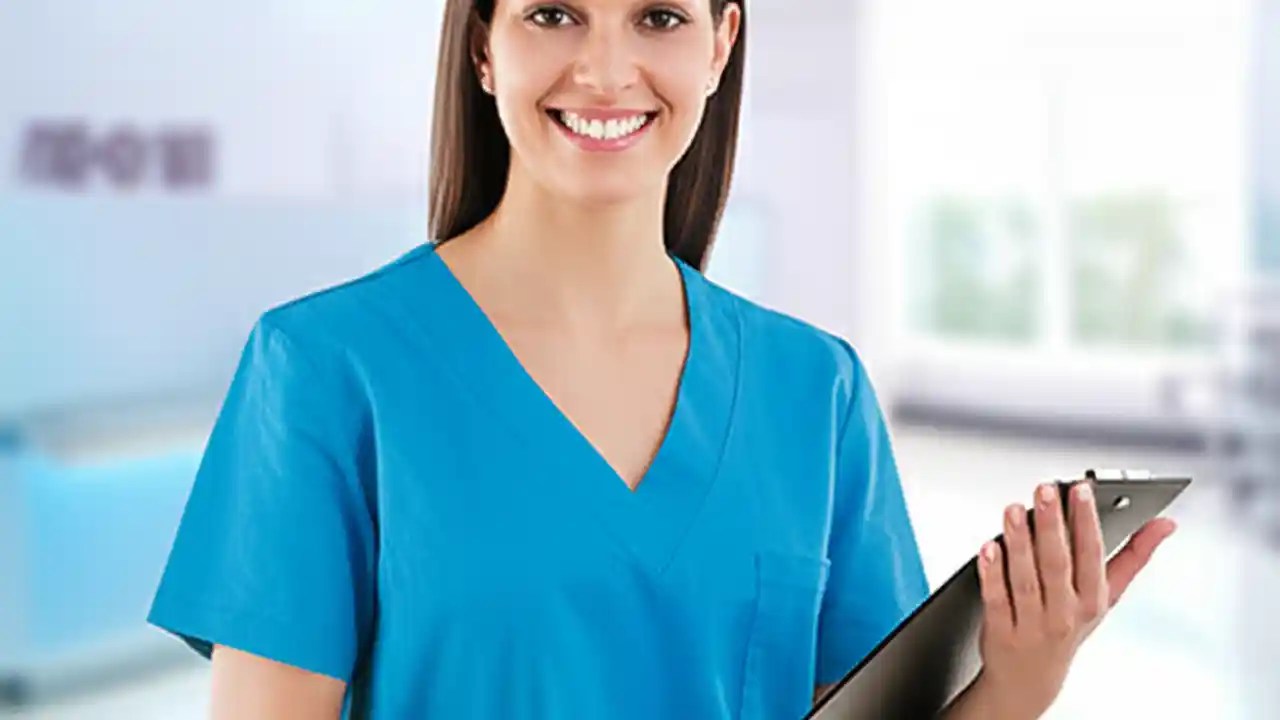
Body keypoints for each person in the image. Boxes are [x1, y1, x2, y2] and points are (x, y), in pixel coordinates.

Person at [146, 1, 1178, 718]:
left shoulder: (811, 391)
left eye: (659, 17)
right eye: (552, 13)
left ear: (721, 44)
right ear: (481, 49)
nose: (604, 69)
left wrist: (1019, 681)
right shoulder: (325, 369)